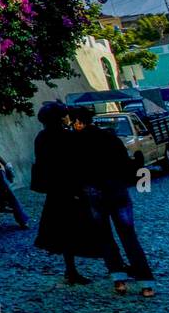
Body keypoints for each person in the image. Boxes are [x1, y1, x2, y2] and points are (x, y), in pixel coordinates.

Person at [69, 105, 157, 297]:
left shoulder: (74, 143)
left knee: (105, 237)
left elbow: (73, 173)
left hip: (93, 193)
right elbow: (126, 166)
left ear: (78, 122)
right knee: (129, 236)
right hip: (117, 190)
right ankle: (146, 283)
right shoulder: (110, 137)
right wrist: (137, 163)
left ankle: (119, 281)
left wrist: (78, 192)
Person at [31, 100, 101, 284]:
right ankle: (80, 268)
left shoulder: (41, 137)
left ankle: (71, 269)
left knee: (63, 231)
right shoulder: (66, 137)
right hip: (71, 190)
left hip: (55, 191)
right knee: (75, 229)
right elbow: (78, 163)